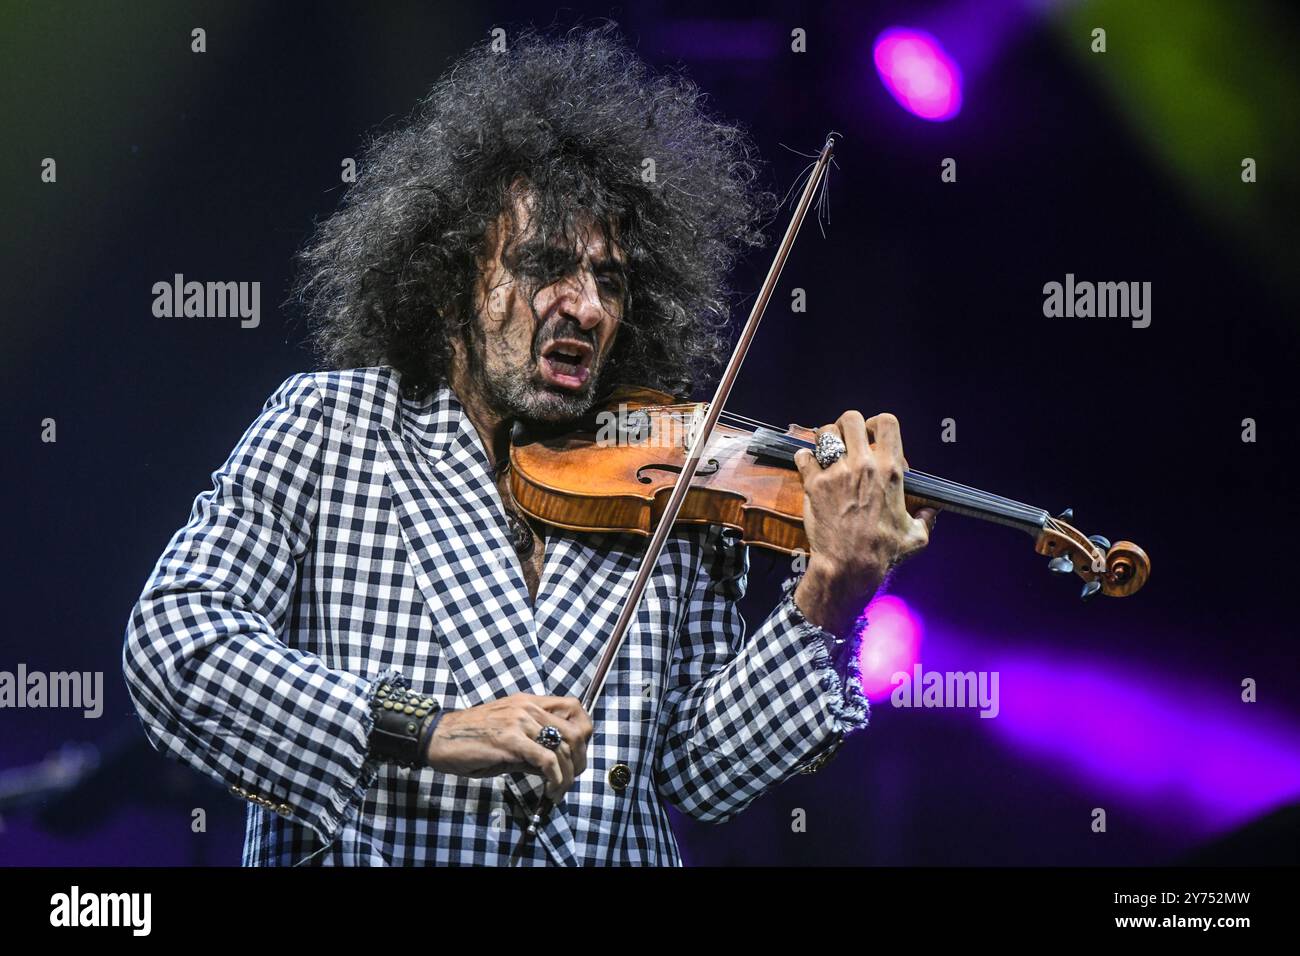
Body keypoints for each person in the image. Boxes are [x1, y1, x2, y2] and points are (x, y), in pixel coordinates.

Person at [122, 25, 935, 866]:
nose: (585, 305)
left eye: (611, 279)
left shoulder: (667, 474)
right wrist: (423, 728)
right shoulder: (331, 427)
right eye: (547, 265)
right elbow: (175, 644)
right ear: (447, 286)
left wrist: (831, 595)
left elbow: (700, 773)